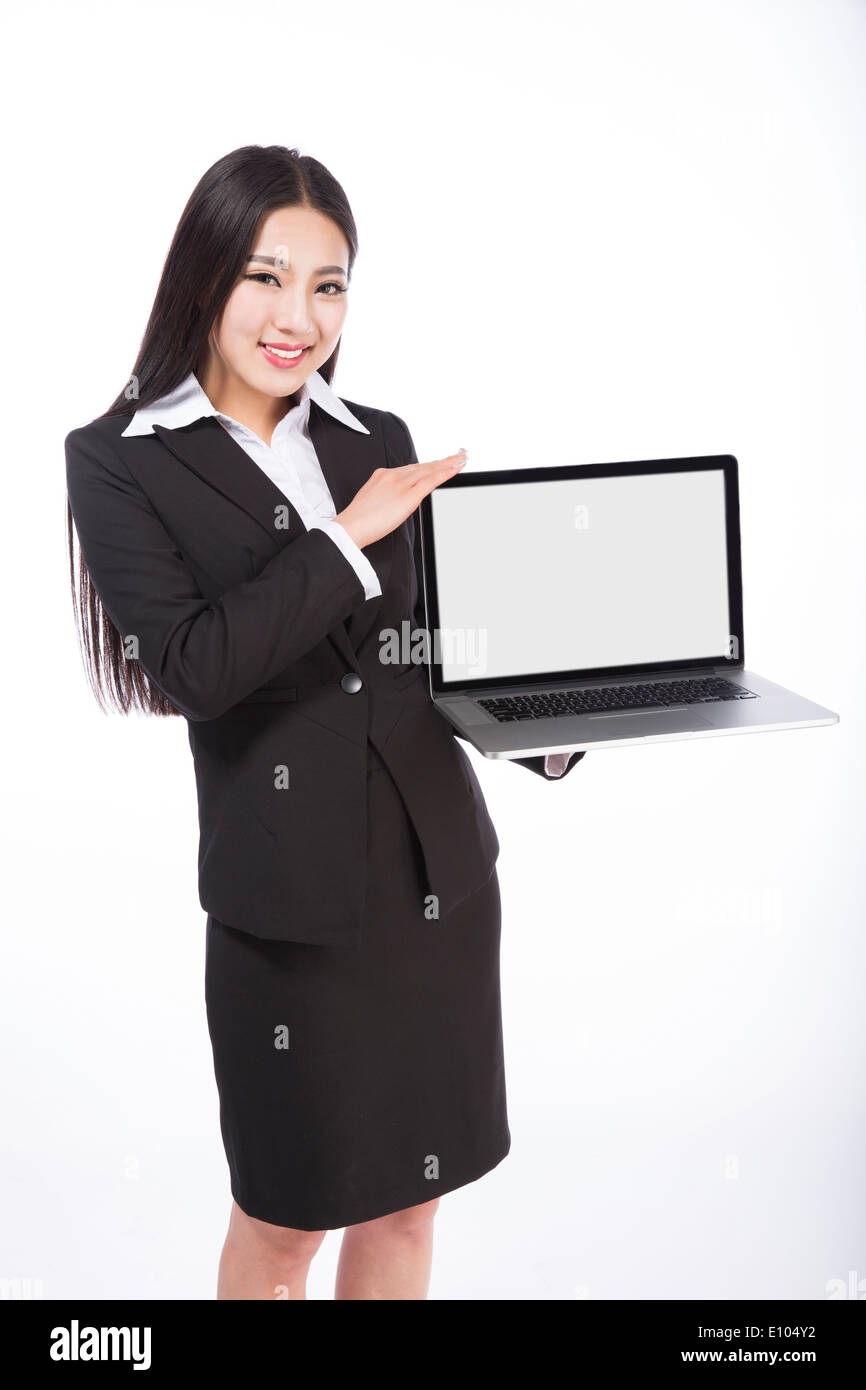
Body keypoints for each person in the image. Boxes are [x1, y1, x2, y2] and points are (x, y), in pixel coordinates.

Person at [65, 144, 586, 1300]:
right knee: (284, 1224)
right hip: (284, 913)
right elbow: (197, 665)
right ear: (204, 278)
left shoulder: (372, 435)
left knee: (406, 1210)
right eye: (266, 277)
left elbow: (423, 653)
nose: (298, 316)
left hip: (434, 879)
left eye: (330, 284)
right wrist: (346, 539)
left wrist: (547, 716)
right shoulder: (117, 462)